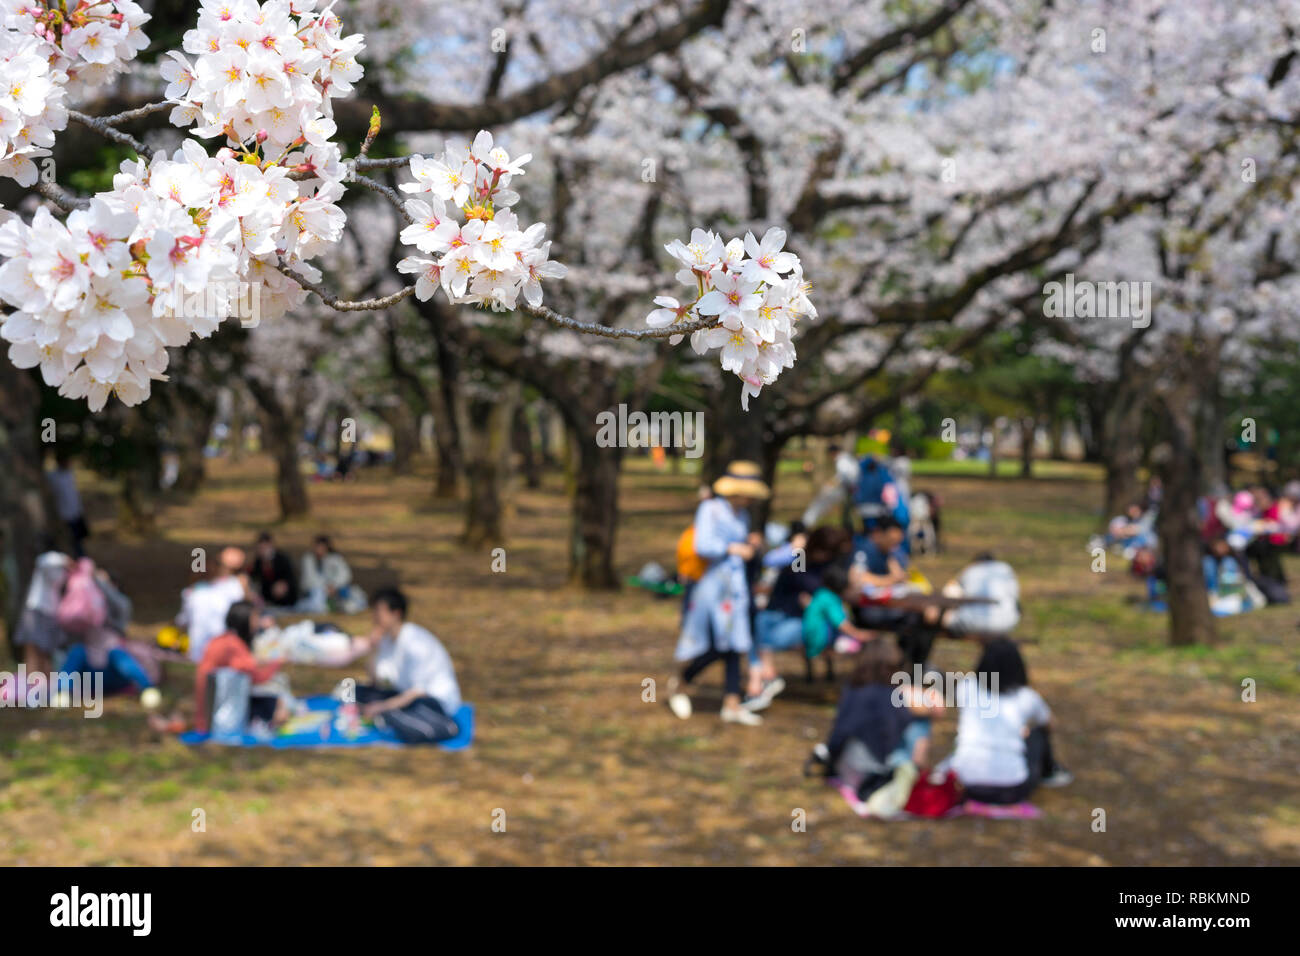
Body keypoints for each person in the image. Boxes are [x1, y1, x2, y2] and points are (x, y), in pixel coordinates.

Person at [667, 461, 769, 726]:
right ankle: (681, 681)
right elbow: (704, 546)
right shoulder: (710, 509)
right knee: (716, 645)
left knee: (736, 645)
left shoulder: (742, 516)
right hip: (711, 590)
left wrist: (750, 545)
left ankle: (731, 704)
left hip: (735, 590)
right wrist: (734, 548)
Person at [824, 640, 939, 817]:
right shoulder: (893, 695)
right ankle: (920, 774)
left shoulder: (852, 687)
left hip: (845, 766)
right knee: (920, 723)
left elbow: (839, 732)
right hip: (872, 770)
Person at [949, 638, 1072, 804]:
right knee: (1039, 733)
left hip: (964, 785)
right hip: (1011, 789)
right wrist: (1023, 730)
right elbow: (1050, 724)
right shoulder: (1026, 697)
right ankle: (1049, 772)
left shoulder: (966, 687)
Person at [745, 526, 851, 705]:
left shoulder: (831, 563)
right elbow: (799, 581)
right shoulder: (801, 558)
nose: (825, 556)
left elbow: (818, 591)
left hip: (805, 621)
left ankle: (762, 680)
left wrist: (814, 601)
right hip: (782, 613)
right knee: (760, 627)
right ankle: (763, 678)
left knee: (762, 639)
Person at [352, 587, 463, 743]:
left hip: (431, 700)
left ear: (396, 614)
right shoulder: (386, 640)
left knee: (392, 712)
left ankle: (398, 719)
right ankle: (394, 716)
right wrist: (373, 648)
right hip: (402, 694)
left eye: (379, 611)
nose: (375, 617)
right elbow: (377, 682)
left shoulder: (415, 644)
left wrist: (382, 707)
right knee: (354, 691)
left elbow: (416, 692)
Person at [59, 566, 160, 703]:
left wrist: (98, 582)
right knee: (77, 652)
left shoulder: (120, 608)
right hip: (90, 675)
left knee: (117, 653)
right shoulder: (83, 613)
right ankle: (62, 692)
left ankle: (147, 688)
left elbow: (119, 604)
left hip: (113, 672)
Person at [193, 601, 287, 734]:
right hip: (216, 716)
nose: (257, 623)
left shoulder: (221, 639)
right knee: (276, 702)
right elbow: (257, 677)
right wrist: (277, 663)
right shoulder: (233, 644)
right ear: (244, 619)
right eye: (255, 618)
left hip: (208, 710)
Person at [177, 547, 250, 662]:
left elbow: (181, 622)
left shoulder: (191, 593)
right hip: (223, 652)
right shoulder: (233, 587)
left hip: (199, 654)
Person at [13, 544, 71, 677]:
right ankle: (30, 687)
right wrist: (63, 558)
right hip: (36, 609)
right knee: (32, 650)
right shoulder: (47, 564)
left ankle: (44, 689)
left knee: (45, 652)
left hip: (50, 612)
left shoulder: (63, 572)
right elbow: (42, 560)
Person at [803, 563, 878, 657]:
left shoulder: (821, 593)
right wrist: (859, 634)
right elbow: (840, 622)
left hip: (811, 639)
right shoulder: (830, 598)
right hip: (819, 641)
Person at [801, 443, 861, 529]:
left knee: (822, 500)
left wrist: (831, 484)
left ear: (833, 452)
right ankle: (807, 521)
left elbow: (843, 477)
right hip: (850, 488)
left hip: (847, 489)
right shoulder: (847, 458)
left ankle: (806, 522)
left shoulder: (842, 460)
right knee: (847, 512)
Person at [298, 535, 363, 613]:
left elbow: (345, 575)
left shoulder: (335, 558)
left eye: (322, 547)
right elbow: (308, 579)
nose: (319, 550)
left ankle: (339, 605)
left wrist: (334, 586)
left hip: (335, 590)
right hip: (315, 591)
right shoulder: (308, 559)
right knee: (317, 597)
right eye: (317, 547)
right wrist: (325, 588)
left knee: (347, 594)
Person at [46, 451, 88, 558]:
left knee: (79, 539)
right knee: (71, 539)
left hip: (76, 511)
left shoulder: (69, 474)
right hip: (64, 514)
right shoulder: (53, 476)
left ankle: (80, 558)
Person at [249, 532, 299, 608]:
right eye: (261, 548)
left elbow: (291, 578)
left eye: (265, 547)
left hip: (286, 598)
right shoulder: (258, 562)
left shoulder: (282, 559)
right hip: (267, 598)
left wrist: (284, 585)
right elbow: (253, 578)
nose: (263, 551)